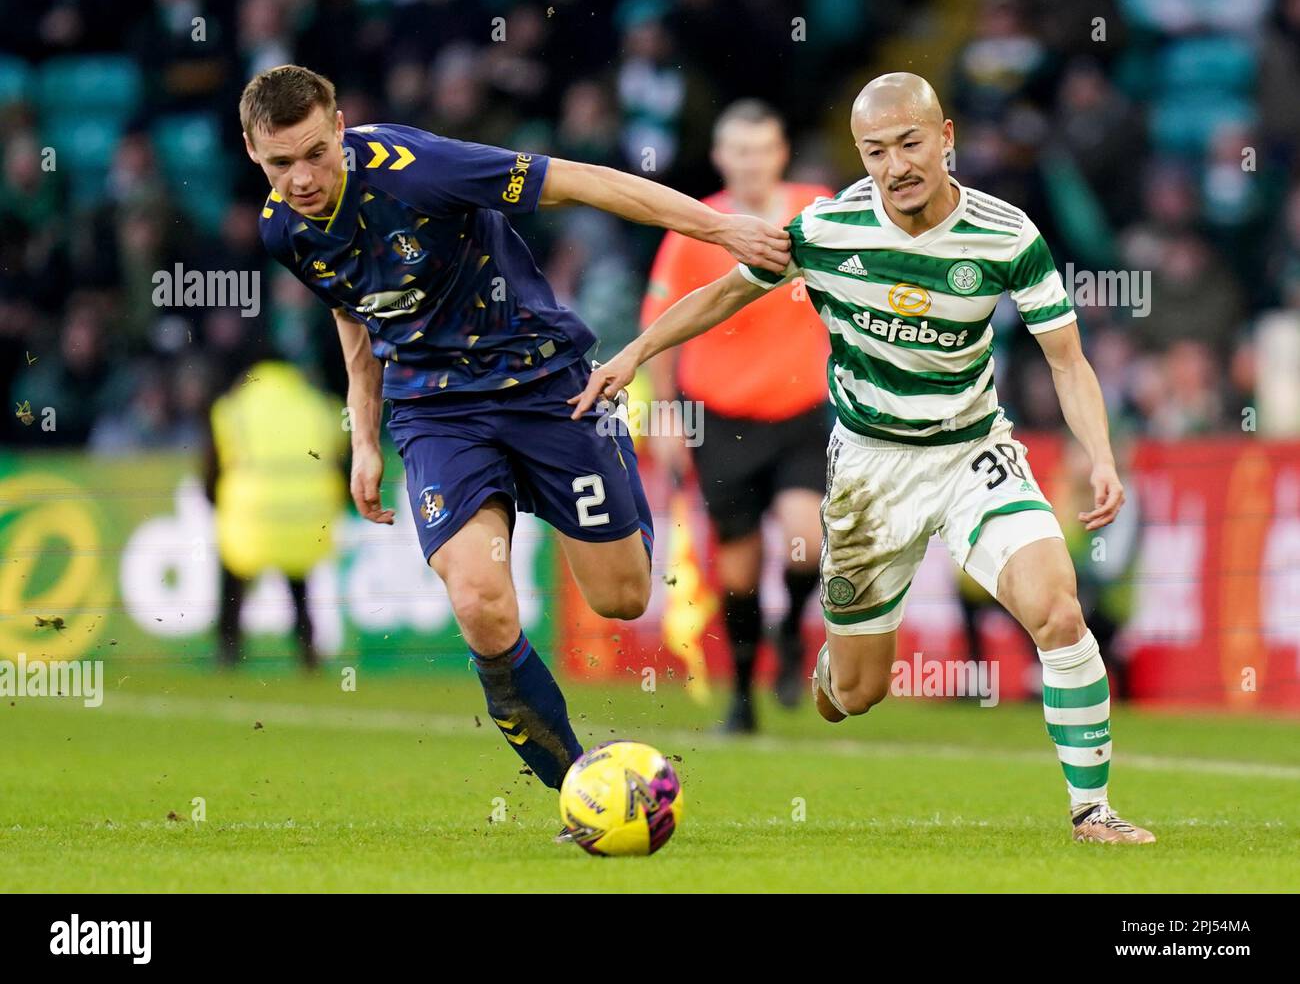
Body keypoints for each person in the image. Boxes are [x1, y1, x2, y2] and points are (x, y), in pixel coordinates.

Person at [572, 72, 1155, 844]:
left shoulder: (1008, 234)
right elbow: (723, 296)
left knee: (1058, 608)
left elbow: (1067, 360)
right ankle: (829, 671)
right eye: (875, 151)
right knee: (857, 691)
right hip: (869, 472)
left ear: (946, 137)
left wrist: (1101, 455)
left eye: (910, 143)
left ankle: (1093, 811)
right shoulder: (827, 229)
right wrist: (636, 353)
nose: (895, 165)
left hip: (973, 451)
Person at [239, 65, 788, 795]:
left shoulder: (423, 171)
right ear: (252, 151)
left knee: (622, 597)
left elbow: (585, 180)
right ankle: (581, 789)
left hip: (542, 382)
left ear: (340, 127)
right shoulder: (283, 229)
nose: (302, 178)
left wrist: (722, 228)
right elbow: (354, 309)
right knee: (478, 600)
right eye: (281, 163)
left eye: (315, 152)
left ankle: (590, 467)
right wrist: (365, 433)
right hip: (436, 410)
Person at [642, 100, 830, 730]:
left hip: (802, 410)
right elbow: (660, 326)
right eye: (739, 151)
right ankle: (744, 696)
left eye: (763, 149)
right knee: (740, 567)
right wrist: (665, 417)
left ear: (781, 154)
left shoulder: (817, 209)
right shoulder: (696, 229)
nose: (752, 162)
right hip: (722, 421)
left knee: (808, 544)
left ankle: (792, 632)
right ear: (722, 158)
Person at [204, 353, 346, 669]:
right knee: (299, 583)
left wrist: (212, 498)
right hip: (307, 511)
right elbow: (340, 455)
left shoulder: (235, 405)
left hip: (252, 512)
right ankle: (308, 649)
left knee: (233, 579)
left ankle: (228, 650)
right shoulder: (317, 403)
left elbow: (214, 461)